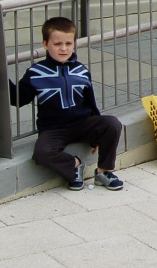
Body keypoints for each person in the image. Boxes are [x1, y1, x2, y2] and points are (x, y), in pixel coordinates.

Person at [9, 16, 124, 192]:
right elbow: (18, 100)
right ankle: (74, 165)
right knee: (42, 153)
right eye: (57, 44)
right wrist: (0, 79)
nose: (63, 48)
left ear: (74, 43)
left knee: (112, 124)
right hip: (53, 129)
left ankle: (104, 171)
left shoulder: (81, 71)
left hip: (82, 124)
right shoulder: (36, 73)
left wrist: (98, 136)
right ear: (45, 44)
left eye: (68, 44)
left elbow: (91, 104)